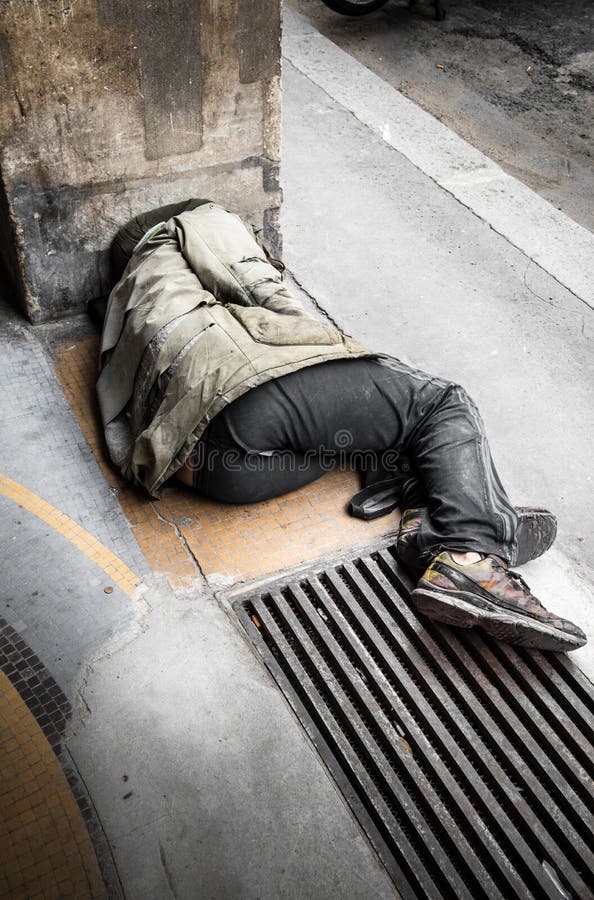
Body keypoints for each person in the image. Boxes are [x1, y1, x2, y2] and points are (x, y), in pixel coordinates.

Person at [97, 201, 586, 653]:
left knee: (373, 436)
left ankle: (428, 526)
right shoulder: (193, 225)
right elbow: (262, 290)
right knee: (437, 403)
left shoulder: (127, 298)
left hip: (207, 470)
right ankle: (470, 556)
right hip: (239, 400)